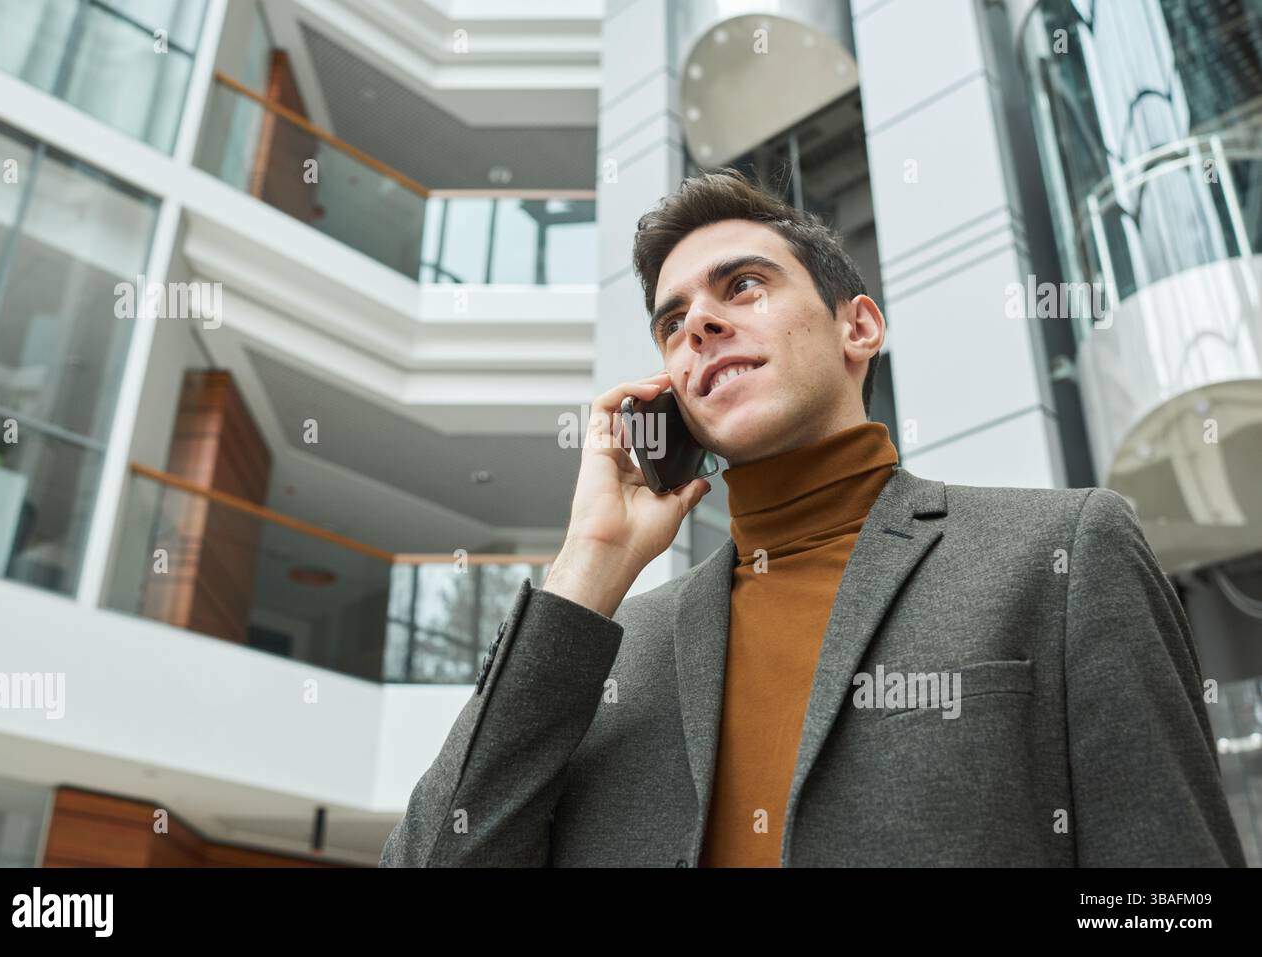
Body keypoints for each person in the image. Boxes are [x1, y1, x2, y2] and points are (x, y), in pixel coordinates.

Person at [380, 168, 1245, 867]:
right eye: (672, 323)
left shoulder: (1063, 553)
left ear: (858, 327)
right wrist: (586, 567)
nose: (699, 323)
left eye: (742, 286)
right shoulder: (609, 649)